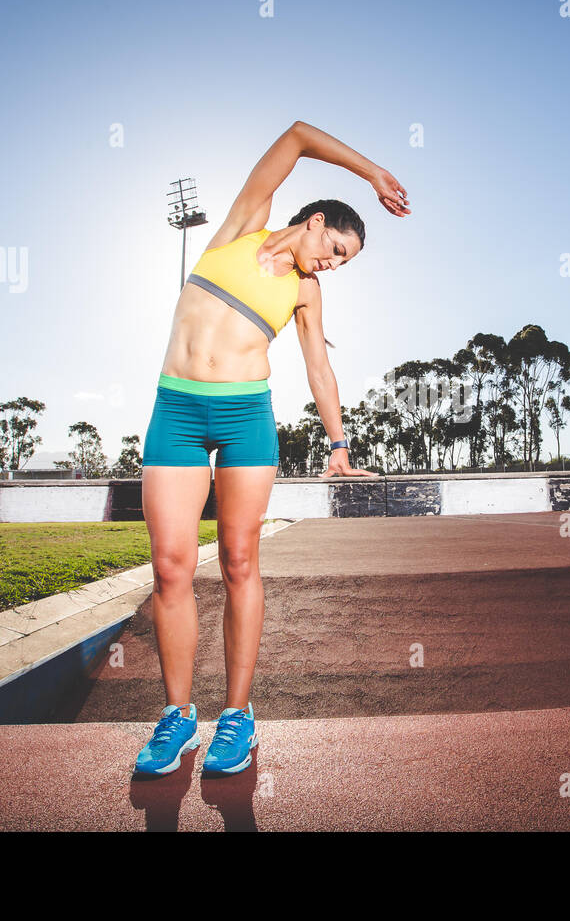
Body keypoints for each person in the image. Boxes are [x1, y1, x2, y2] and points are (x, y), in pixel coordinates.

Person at [132, 120, 411, 776]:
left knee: (237, 560)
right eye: (336, 247)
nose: (333, 263)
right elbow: (296, 136)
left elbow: (319, 369)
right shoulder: (241, 227)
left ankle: (237, 716)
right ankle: (177, 719)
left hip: (245, 420)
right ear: (313, 221)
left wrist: (338, 442)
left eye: (345, 262)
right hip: (175, 408)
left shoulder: (307, 292)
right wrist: (371, 173)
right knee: (171, 569)